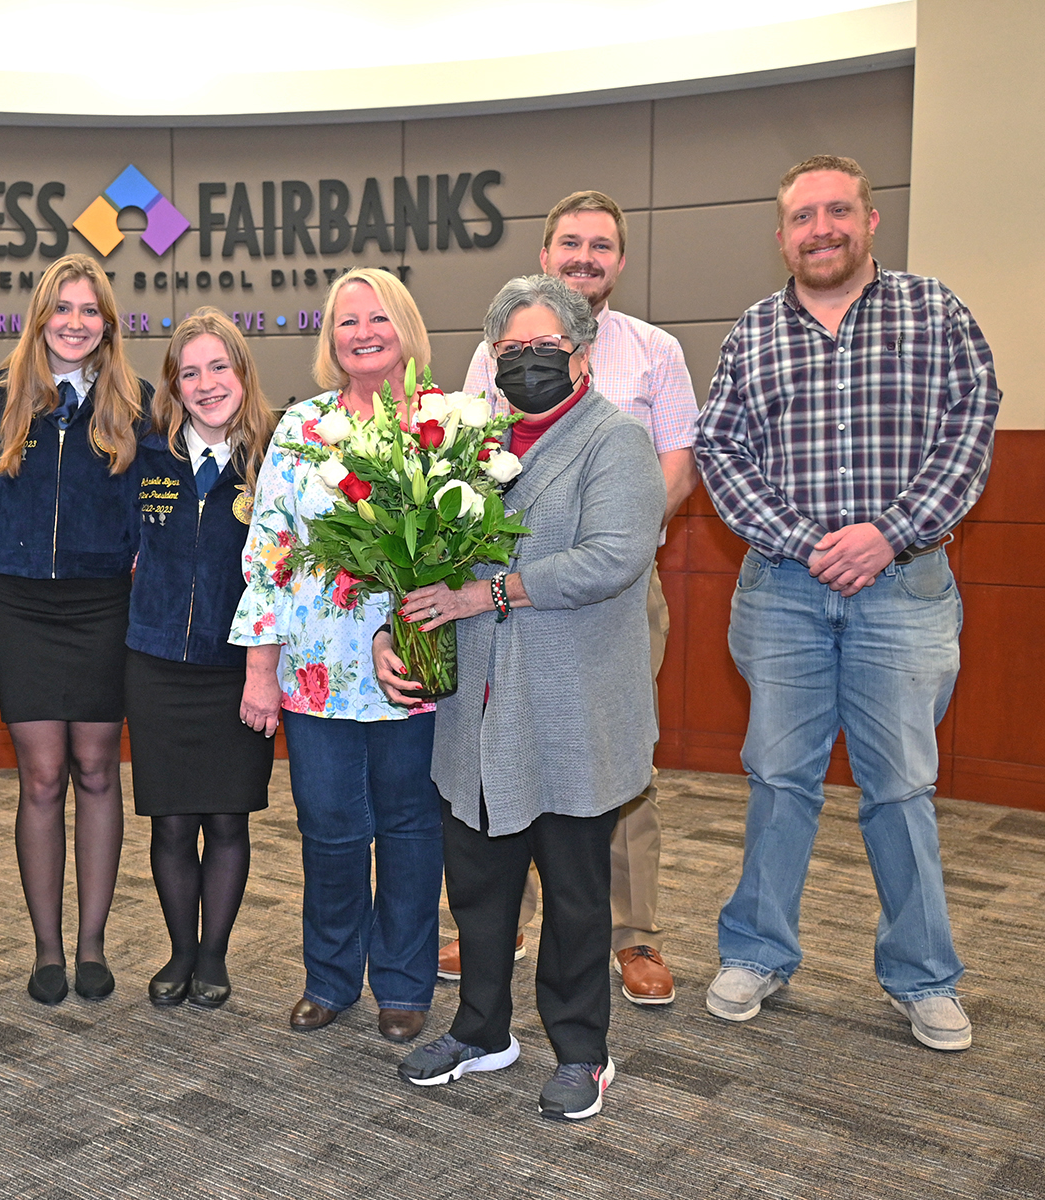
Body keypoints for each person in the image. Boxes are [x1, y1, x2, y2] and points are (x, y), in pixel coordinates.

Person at [696, 155, 999, 1052]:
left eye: (837, 211)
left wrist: (890, 531)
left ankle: (925, 976)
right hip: (782, 592)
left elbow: (969, 432)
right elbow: (722, 452)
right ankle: (756, 951)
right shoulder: (752, 332)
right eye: (801, 217)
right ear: (781, 235)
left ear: (869, 220)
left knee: (900, 788)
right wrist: (803, 541)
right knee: (777, 780)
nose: (819, 228)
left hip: (904, 588)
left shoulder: (935, 312)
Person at [377, 273, 663, 1121]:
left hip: (571, 710)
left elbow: (614, 555)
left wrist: (490, 595)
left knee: (575, 896)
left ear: (581, 354)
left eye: (545, 350)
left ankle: (583, 1050)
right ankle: (481, 1029)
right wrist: (403, 628)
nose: (528, 364)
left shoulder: (615, 442)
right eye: (511, 352)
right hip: (479, 716)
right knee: (479, 888)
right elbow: (429, 559)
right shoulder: (472, 443)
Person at [445, 190, 699, 1006]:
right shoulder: (492, 358)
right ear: (545, 251)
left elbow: (674, 466)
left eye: (601, 244)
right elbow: (460, 472)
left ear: (619, 261)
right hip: (494, 605)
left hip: (611, 591)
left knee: (603, 759)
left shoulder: (652, 352)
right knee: (505, 749)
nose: (584, 255)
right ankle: (505, 928)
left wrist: (611, 545)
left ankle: (633, 937)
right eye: (569, 242)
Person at [229, 267, 443, 1045]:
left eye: (377, 318)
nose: (362, 333)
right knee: (329, 826)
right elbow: (269, 550)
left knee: (412, 826)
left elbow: (460, 554)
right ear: (330, 338)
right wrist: (260, 666)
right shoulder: (303, 426)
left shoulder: (444, 424)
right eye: (347, 322)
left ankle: (404, 983)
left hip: (412, 670)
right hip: (316, 672)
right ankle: (329, 978)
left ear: (405, 327)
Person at [0, 254, 150, 1005]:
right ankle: (46, 949)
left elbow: (151, 507)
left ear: (106, 325)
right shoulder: (1, 397)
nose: (75, 323)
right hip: (21, 608)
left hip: (103, 606)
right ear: (41, 317)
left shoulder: (135, 403)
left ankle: (91, 946)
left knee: (98, 769)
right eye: (63, 309)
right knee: (42, 776)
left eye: (90, 311)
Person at [125, 308, 276, 1009]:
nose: (207, 383)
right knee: (171, 821)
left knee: (226, 820)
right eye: (191, 372)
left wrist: (264, 670)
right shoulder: (145, 453)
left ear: (242, 373)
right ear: (173, 385)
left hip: (237, 669)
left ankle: (213, 956)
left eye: (220, 367)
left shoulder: (274, 457)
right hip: (155, 660)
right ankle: (179, 952)